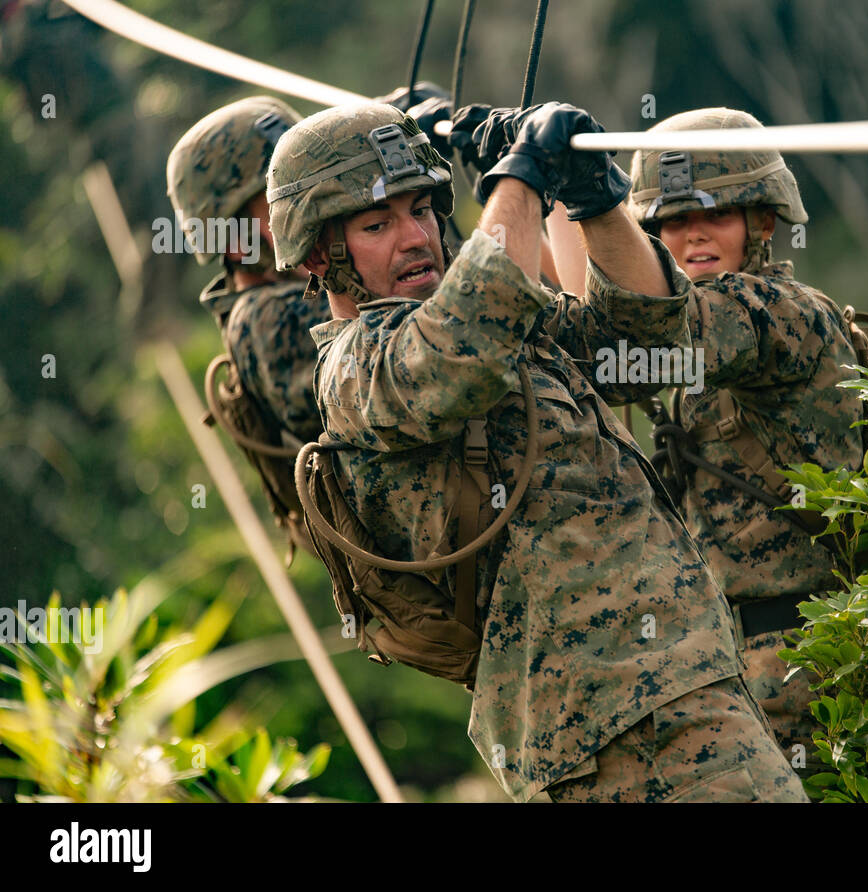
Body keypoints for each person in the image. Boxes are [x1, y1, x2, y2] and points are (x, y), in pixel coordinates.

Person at [266, 99, 806, 803]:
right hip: (613, 727)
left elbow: (644, 340)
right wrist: (520, 175)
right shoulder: (358, 369)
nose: (415, 237)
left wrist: (594, 199)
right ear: (319, 255)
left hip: (672, 690)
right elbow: (466, 338)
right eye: (377, 224)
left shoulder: (500, 326)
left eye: (422, 211)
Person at [615, 107, 868, 774]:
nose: (694, 234)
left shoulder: (785, 316)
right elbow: (601, 332)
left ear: (763, 221)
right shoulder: (701, 335)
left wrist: (593, 205)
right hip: (728, 659)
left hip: (810, 660)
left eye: (718, 213)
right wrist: (535, 192)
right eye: (673, 220)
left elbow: (651, 330)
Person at [166, 95, 331, 552]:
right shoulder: (267, 324)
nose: (316, 205)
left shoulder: (308, 288)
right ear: (235, 238)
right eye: (287, 195)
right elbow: (437, 331)